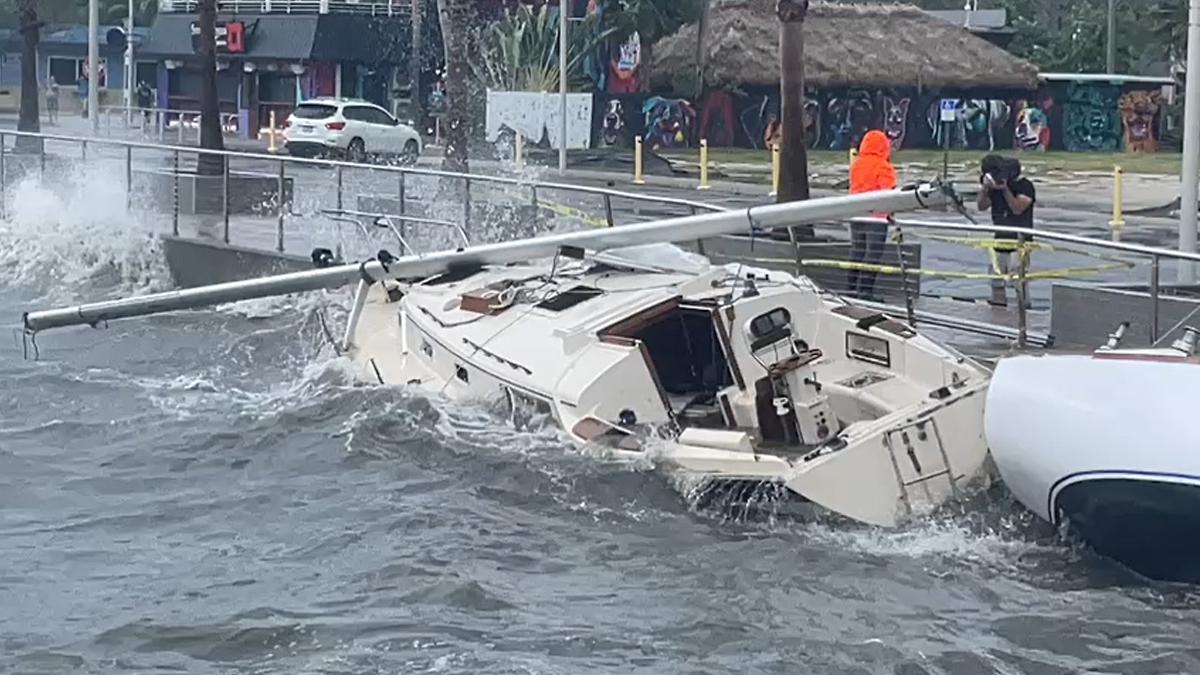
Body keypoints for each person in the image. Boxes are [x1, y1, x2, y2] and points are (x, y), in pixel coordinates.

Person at [976, 155, 1036, 307]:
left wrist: (1005, 190)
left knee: (1018, 276)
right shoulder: (993, 187)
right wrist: (985, 188)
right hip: (1001, 236)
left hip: (1021, 237)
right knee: (996, 275)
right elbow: (982, 206)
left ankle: (1023, 306)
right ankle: (998, 303)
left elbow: (1017, 208)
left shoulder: (1025, 186)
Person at [846, 129, 898, 300]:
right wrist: (890, 213)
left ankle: (851, 288)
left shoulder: (857, 165)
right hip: (876, 218)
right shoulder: (883, 166)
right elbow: (888, 194)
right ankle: (865, 291)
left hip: (856, 214)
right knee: (872, 254)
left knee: (857, 252)